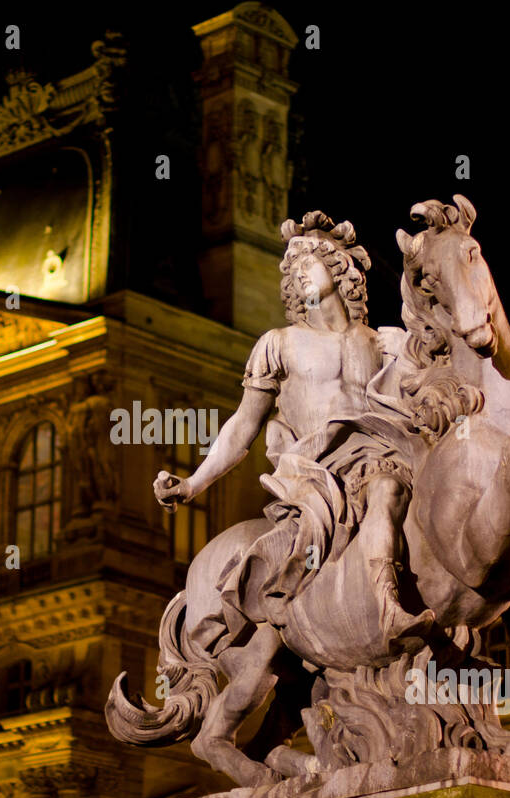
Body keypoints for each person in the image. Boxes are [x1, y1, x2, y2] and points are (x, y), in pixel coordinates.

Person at [154, 211, 433, 652]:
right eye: (292, 270)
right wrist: (192, 484)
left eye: (308, 264)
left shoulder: (382, 342)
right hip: (319, 471)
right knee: (385, 489)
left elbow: (423, 408)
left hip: (386, 451)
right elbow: (243, 426)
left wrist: (411, 359)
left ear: (338, 267)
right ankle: (387, 608)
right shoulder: (279, 344)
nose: (297, 275)